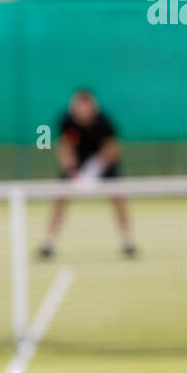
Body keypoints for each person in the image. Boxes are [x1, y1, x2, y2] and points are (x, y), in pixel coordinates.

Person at [40, 89, 136, 258]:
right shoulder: (66, 120)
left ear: (92, 107)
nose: (83, 110)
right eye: (79, 106)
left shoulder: (104, 121)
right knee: (60, 198)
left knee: (118, 197)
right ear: (74, 108)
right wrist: (72, 171)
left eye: (86, 106)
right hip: (77, 163)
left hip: (102, 162)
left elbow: (112, 149)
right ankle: (48, 242)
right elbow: (65, 148)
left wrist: (95, 169)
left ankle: (127, 241)